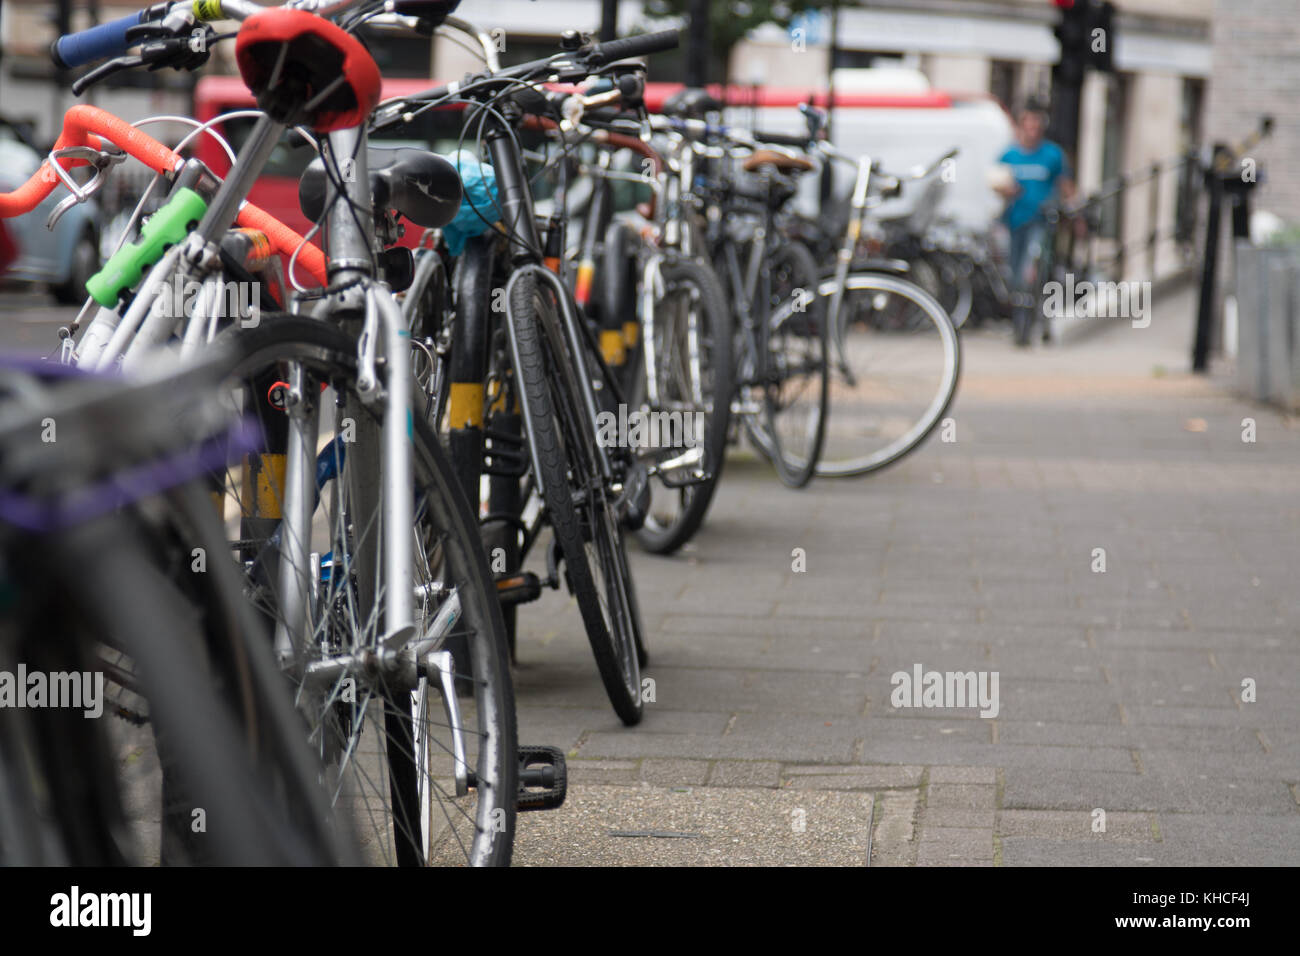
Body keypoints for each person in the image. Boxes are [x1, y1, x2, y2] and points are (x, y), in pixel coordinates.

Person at [992, 101, 1077, 346]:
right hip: (1015, 221)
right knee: (1015, 275)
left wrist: (1073, 214)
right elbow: (997, 184)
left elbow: (1066, 186)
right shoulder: (1009, 155)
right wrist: (1006, 190)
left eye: (1036, 124)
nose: (1032, 129)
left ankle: (1033, 324)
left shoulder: (1053, 154)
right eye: (1027, 124)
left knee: (1032, 272)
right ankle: (1020, 323)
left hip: (1041, 222)